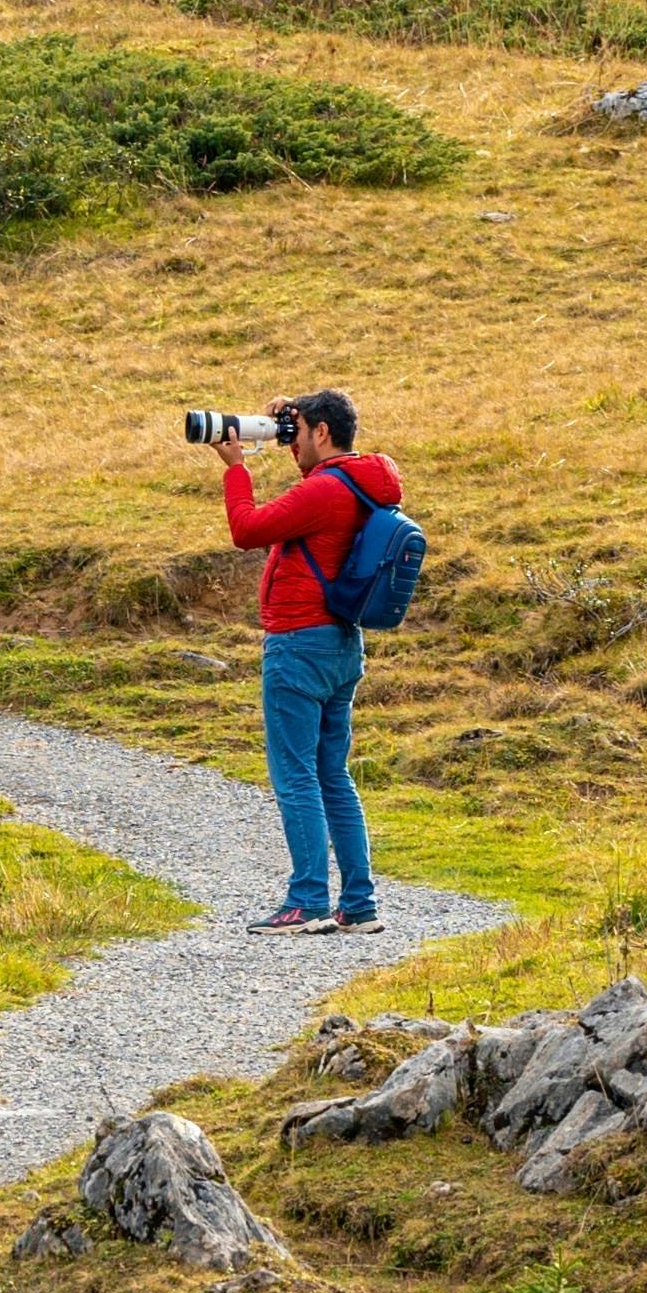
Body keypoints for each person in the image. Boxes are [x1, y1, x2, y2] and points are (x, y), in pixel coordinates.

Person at [212, 389, 398, 931]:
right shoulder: (362, 482)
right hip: (340, 644)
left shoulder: (324, 492)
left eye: (300, 431)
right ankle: (358, 904)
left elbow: (247, 530)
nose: (292, 442)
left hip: (299, 642)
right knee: (331, 775)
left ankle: (308, 900)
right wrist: (285, 420)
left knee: (295, 775)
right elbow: (308, 498)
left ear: (321, 432)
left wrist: (236, 469)